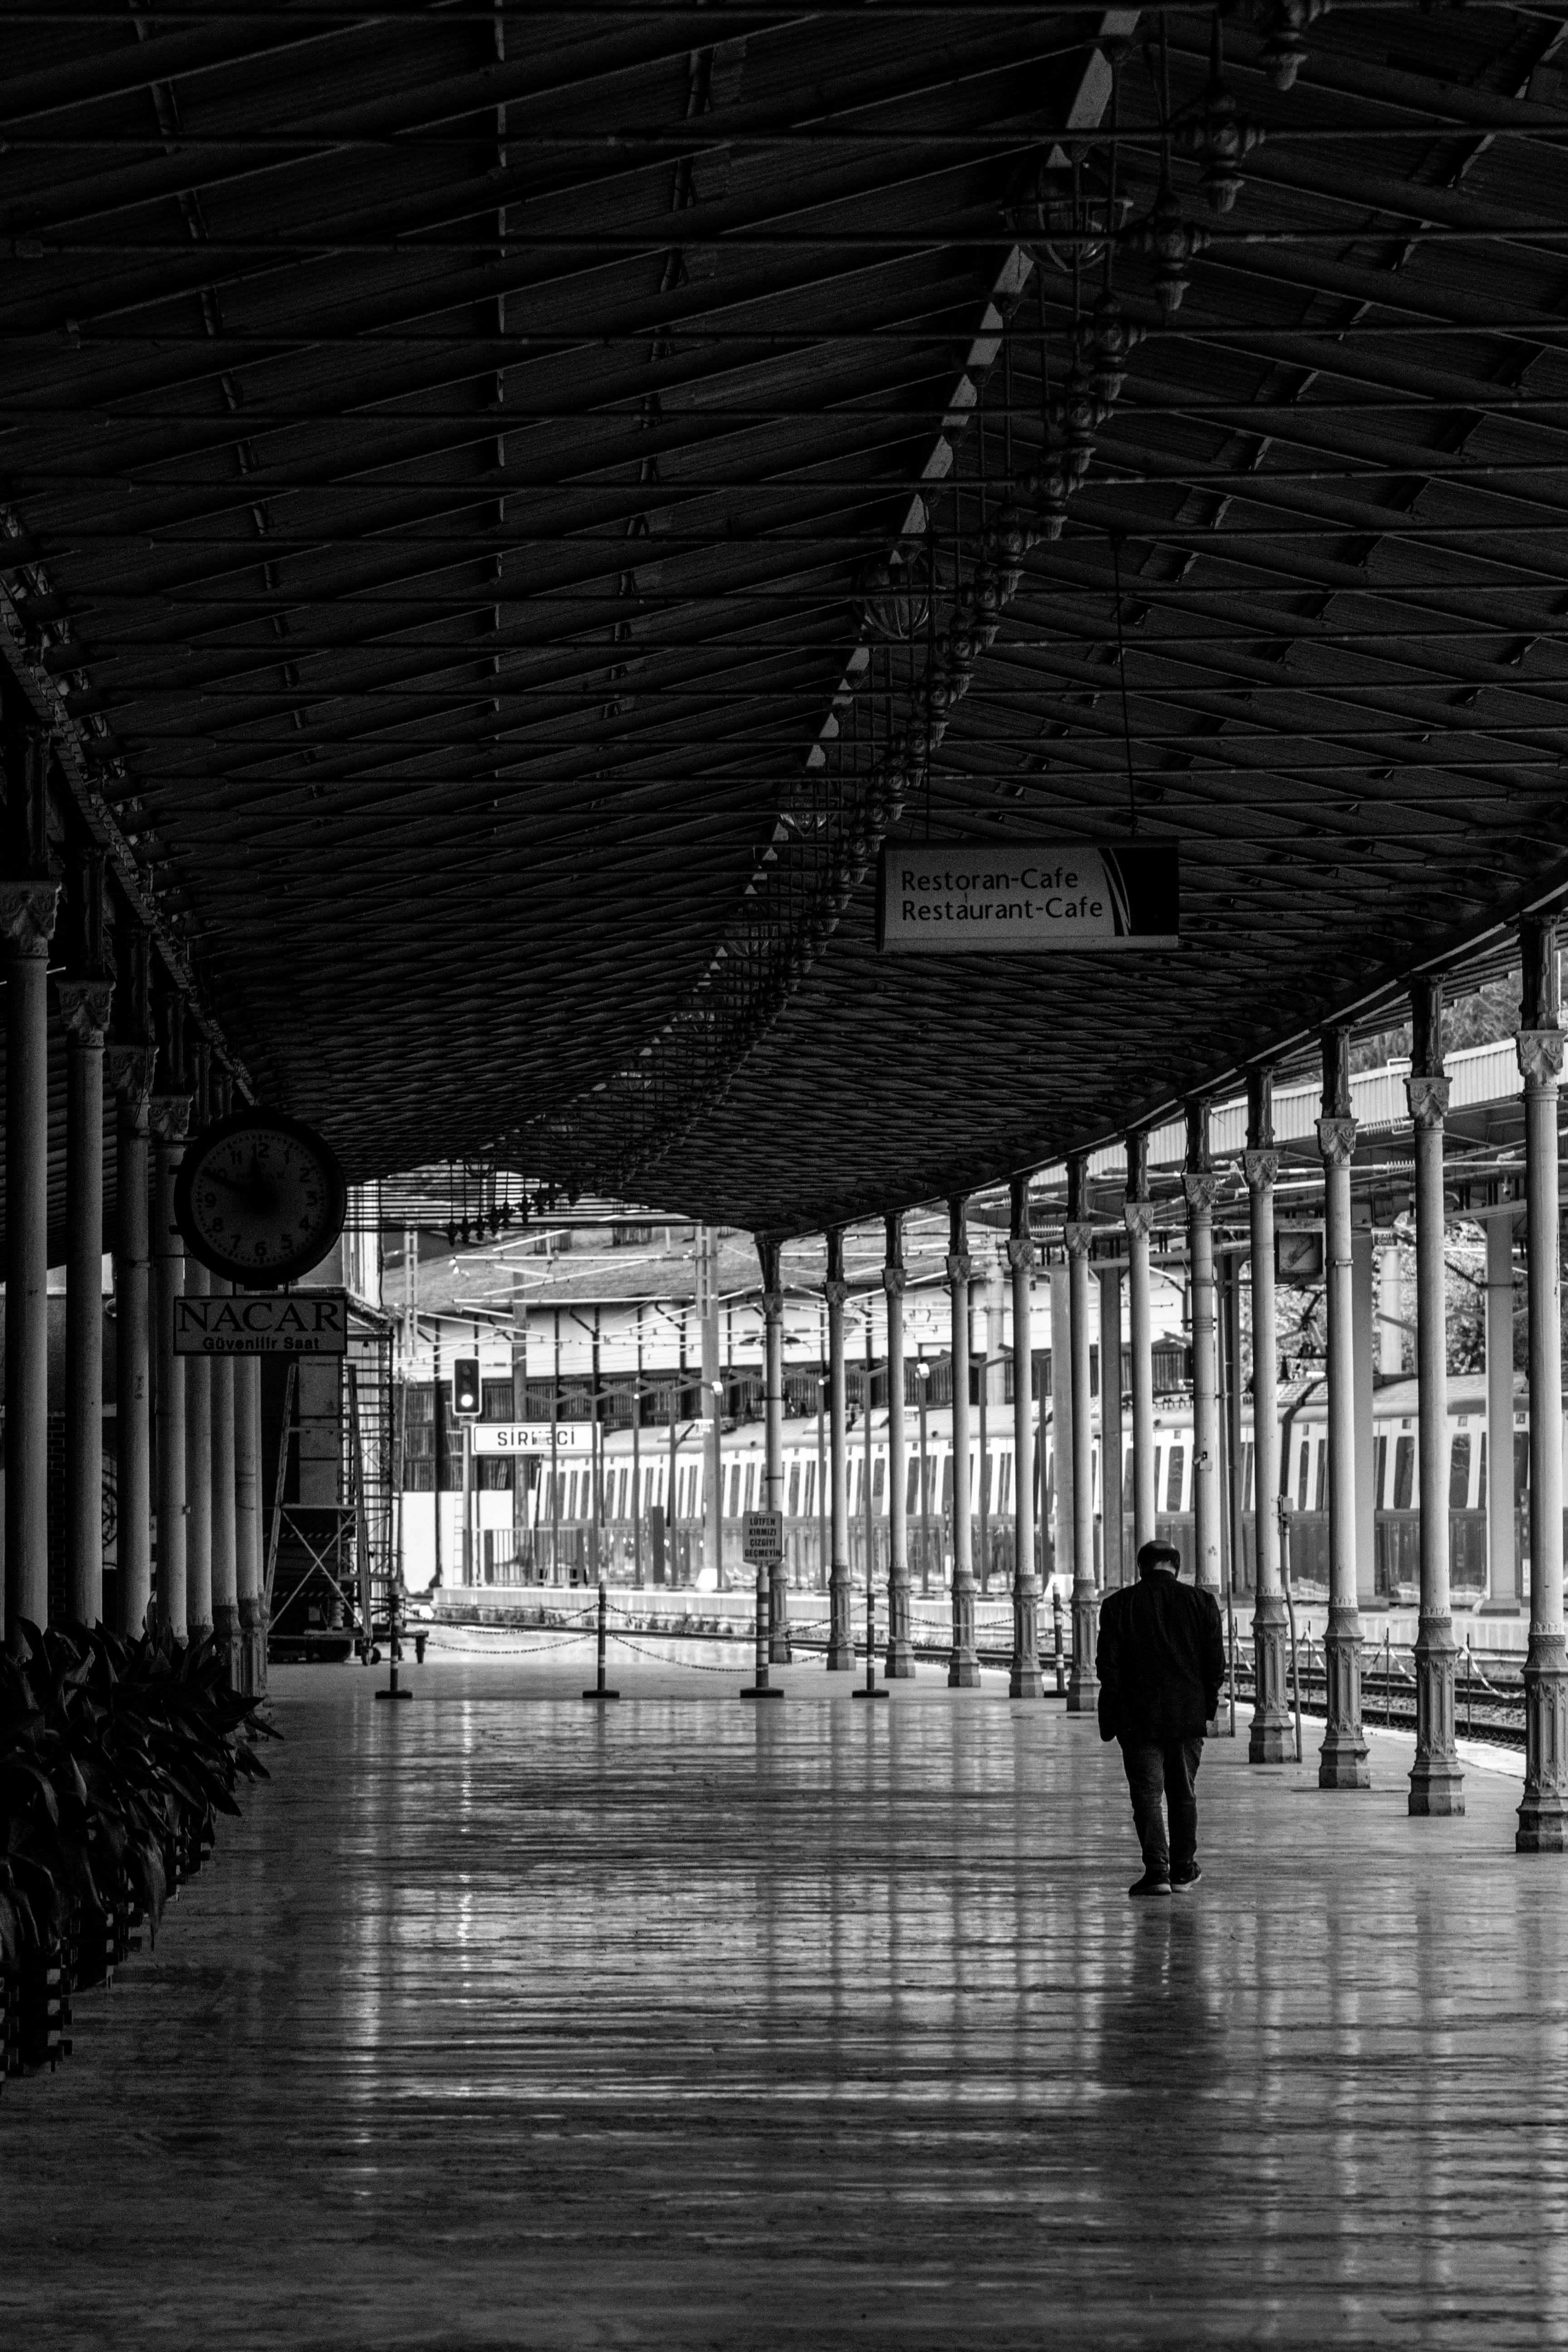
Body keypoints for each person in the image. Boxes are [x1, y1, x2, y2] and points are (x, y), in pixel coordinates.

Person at [1096, 1539, 1226, 1899]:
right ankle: (1183, 1870)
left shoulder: (1117, 1606)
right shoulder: (1202, 1603)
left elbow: (1108, 1668)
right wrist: (1206, 1708)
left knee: (1147, 1796)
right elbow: (1215, 1666)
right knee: (1183, 1794)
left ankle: (1157, 1871)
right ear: (1177, 1567)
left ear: (1141, 1568)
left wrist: (1115, 1715)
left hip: (1138, 1721)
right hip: (1187, 1718)